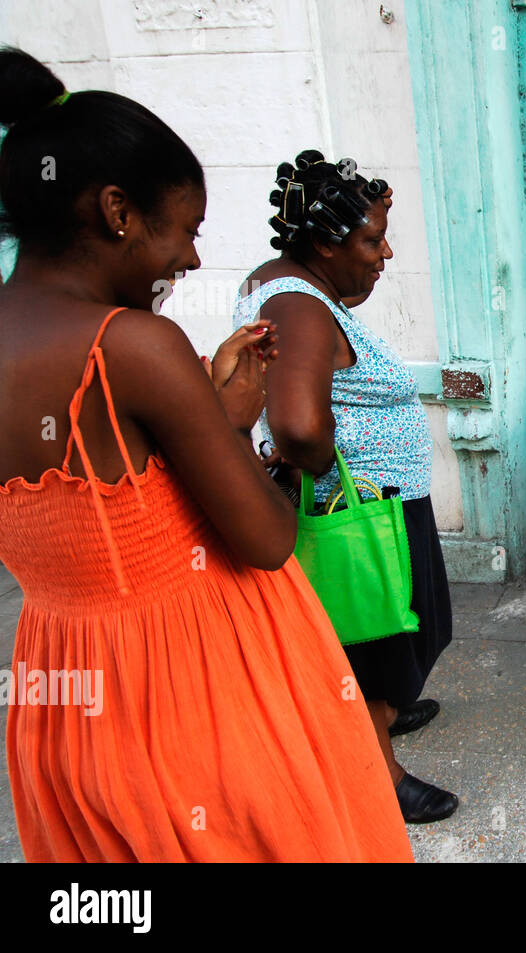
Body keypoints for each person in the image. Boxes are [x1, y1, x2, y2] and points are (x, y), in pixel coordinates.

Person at [0, 48, 413, 861]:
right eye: (184, 231)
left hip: (65, 694)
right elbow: (263, 541)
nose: (190, 259)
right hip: (194, 690)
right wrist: (231, 422)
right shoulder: (134, 348)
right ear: (117, 210)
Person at [234, 150, 457, 824]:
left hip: (384, 501)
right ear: (324, 241)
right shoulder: (299, 306)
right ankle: (377, 770)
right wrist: (333, 460)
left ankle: (387, 705)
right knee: (370, 638)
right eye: (370, 238)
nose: (384, 252)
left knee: (399, 628)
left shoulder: (284, 283)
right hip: (364, 512)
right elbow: (299, 427)